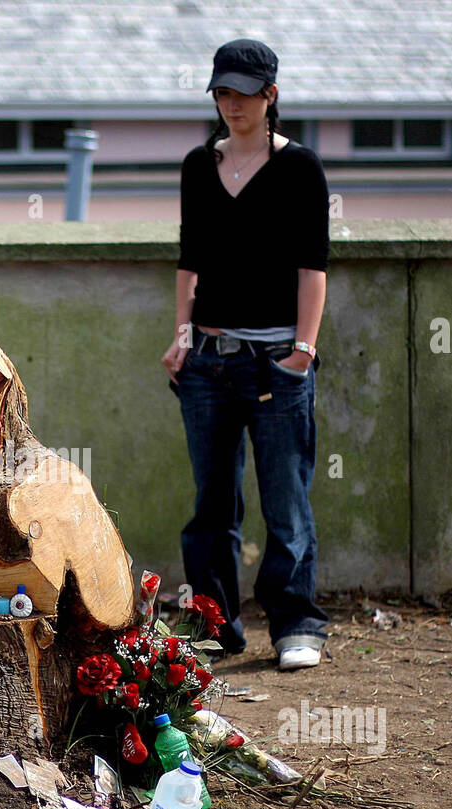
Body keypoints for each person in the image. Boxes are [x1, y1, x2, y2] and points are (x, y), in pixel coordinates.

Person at [162, 38, 331, 671]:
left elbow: (312, 268)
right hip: (206, 362)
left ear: (271, 96)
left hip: (276, 363)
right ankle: (214, 628)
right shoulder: (196, 166)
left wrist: (303, 352)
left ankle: (295, 626)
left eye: (243, 92)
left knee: (285, 497)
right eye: (222, 93)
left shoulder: (300, 169)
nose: (232, 104)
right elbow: (189, 262)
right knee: (212, 505)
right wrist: (181, 339)